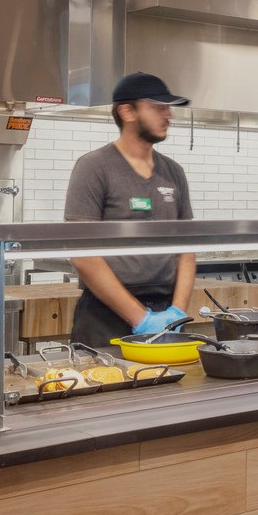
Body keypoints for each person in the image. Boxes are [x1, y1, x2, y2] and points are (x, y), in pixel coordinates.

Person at [63, 72, 196, 346]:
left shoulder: (174, 172)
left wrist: (177, 313)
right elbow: (82, 255)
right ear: (127, 111)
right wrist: (140, 319)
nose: (168, 115)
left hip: (166, 307)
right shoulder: (94, 167)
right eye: (159, 107)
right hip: (105, 315)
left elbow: (187, 247)